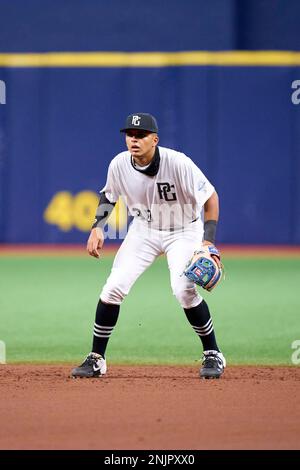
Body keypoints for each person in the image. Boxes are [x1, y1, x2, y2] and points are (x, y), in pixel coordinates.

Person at [71, 113, 226, 379]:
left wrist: (208, 241)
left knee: (183, 291)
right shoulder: (119, 164)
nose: (134, 139)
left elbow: (211, 198)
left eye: (141, 135)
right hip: (144, 230)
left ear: (154, 139)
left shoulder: (178, 163)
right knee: (113, 288)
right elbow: (108, 195)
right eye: (130, 134)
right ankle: (96, 358)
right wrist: (98, 226)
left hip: (184, 231)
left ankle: (213, 354)